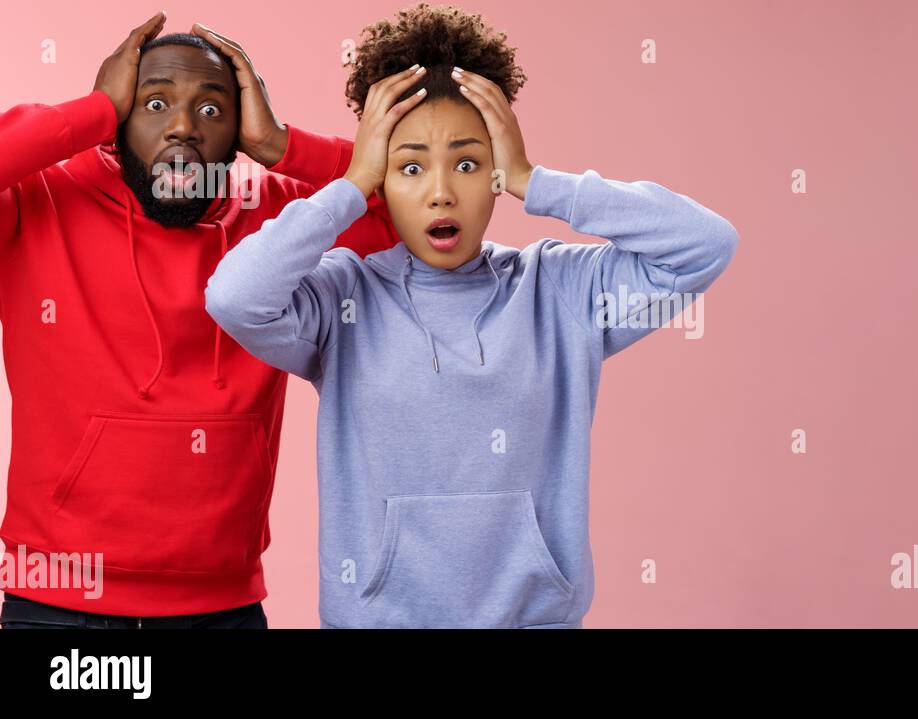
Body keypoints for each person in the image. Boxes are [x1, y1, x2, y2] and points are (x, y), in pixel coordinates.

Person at [205, 4, 738, 628]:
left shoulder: (559, 290)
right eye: (408, 168)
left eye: (467, 163)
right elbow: (234, 296)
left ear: (494, 175)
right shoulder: (344, 300)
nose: (440, 191)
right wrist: (350, 187)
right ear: (383, 180)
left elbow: (705, 244)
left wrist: (538, 181)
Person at [0, 12, 397, 628]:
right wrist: (92, 110)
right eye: (154, 103)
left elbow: (409, 215)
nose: (183, 127)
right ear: (119, 121)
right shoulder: (41, 200)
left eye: (212, 110)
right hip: (57, 601)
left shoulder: (279, 217)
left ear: (240, 131)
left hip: (222, 607)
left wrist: (282, 146)